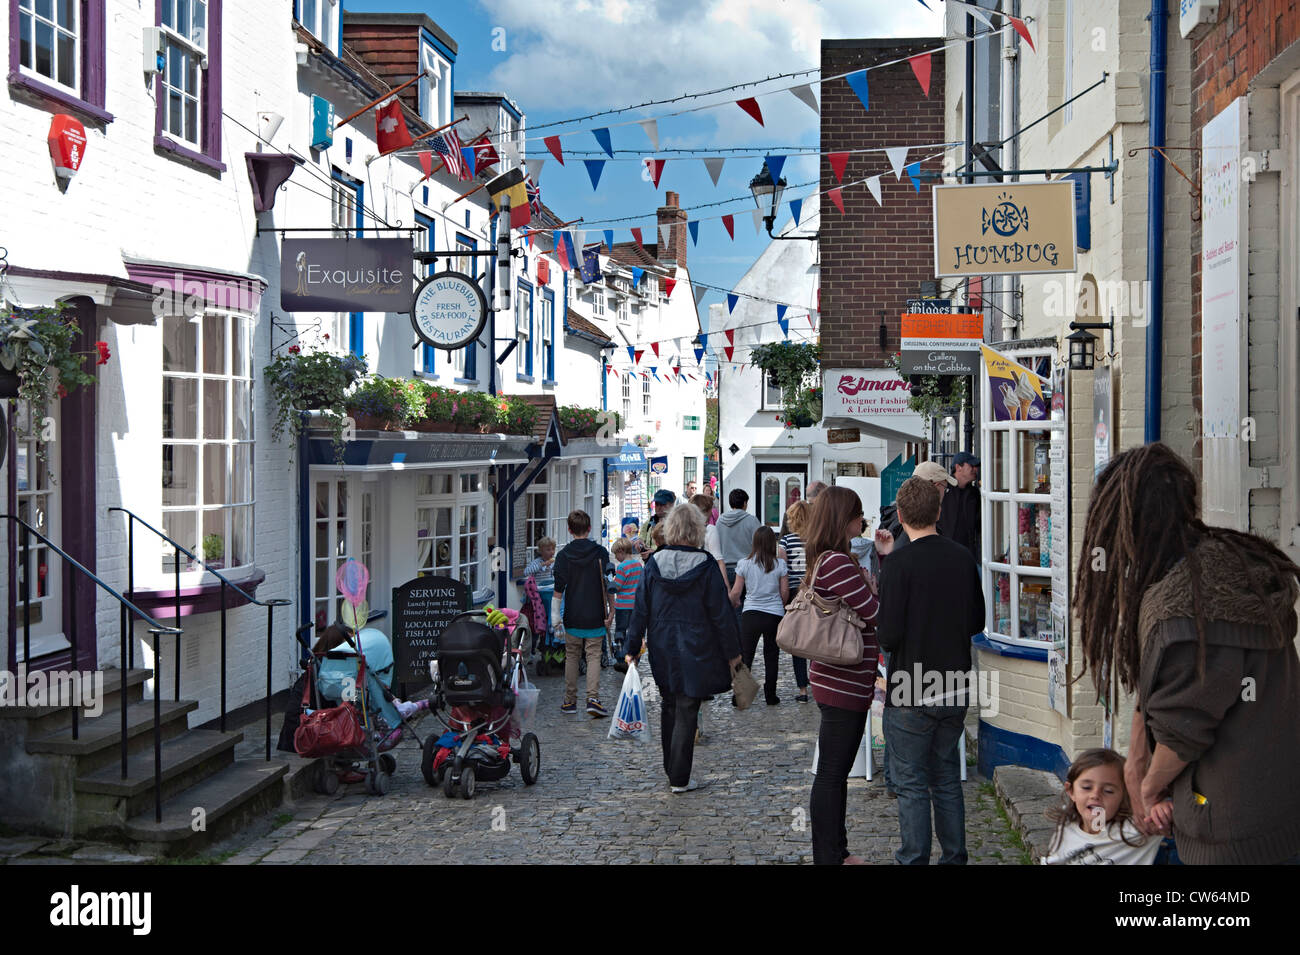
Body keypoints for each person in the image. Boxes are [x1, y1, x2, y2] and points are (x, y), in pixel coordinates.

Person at [1073, 442, 1300, 865]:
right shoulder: (1213, 565)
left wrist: (1147, 789)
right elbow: (1158, 687)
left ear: (1132, 522)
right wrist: (1135, 759)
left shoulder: (1186, 613)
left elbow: (1183, 731)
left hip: (1238, 837)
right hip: (1269, 806)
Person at [875, 476, 984, 865]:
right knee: (946, 780)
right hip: (953, 681)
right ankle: (954, 857)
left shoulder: (898, 564)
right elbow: (976, 621)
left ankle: (915, 858)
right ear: (939, 512)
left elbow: (887, 633)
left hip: (911, 685)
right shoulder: (961, 558)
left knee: (911, 784)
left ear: (900, 517)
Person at [624, 503, 743, 794]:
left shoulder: (653, 563)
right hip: (696, 641)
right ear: (697, 530)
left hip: (662, 642)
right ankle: (679, 776)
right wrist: (733, 653)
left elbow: (640, 608)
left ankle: (672, 768)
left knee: (669, 702)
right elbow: (720, 613)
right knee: (688, 705)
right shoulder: (705, 565)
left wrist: (631, 646)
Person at [803, 486, 881, 865]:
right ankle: (829, 856)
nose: (862, 520)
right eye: (858, 513)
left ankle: (838, 851)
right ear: (843, 517)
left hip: (838, 679)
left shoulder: (830, 558)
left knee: (835, 772)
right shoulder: (837, 562)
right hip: (842, 680)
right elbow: (875, 612)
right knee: (832, 774)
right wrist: (875, 579)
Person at [1042, 748, 1171, 865]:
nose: (1095, 795)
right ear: (1071, 791)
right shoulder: (1067, 824)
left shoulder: (1136, 828)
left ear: (1124, 795)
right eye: (1087, 787)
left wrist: (1161, 807)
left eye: (1108, 791)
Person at [552, 510, 615, 718]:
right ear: (589, 528)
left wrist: (555, 618)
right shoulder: (601, 553)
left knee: (572, 656)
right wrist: (611, 611)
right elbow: (609, 585)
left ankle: (569, 701)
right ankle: (593, 699)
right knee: (594, 656)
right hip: (595, 612)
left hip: (573, 614)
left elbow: (558, 590)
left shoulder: (563, 556)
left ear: (569, 530)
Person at [729, 526, 789, 706]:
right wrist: (780, 605)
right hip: (774, 614)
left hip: (751, 614)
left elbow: (736, 592)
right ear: (773, 543)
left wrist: (734, 603)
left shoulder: (744, 564)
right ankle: (771, 696)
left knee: (746, 656)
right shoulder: (780, 564)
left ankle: (740, 696)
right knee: (771, 655)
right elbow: (784, 592)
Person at [778, 500, 812, 702]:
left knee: (797, 642)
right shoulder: (815, 540)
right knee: (816, 638)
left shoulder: (786, 541)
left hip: (793, 592)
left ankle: (802, 689)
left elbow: (782, 569)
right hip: (813, 592)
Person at [938, 451, 980, 563]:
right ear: (958, 467)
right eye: (971, 466)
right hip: (942, 553)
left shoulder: (974, 493)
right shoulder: (942, 487)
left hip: (967, 555)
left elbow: (978, 524)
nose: (975, 469)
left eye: (976, 466)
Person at [610, 538, 643, 674]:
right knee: (634, 631)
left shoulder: (623, 567)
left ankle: (623, 657)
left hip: (623, 605)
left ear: (621, 551)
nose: (616, 558)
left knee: (621, 631)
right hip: (636, 605)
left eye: (616, 554)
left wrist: (610, 581)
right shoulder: (638, 565)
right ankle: (634, 657)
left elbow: (617, 586)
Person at [523, 537, 557, 647]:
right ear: (541, 551)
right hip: (538, 597)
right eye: (548, 549)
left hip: (550, 595)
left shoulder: (554, 562)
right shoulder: (537, 562)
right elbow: (526, 572)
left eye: (553, 549)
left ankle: (548, 641)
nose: (551, 552)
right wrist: (542, 565)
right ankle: (533, 646)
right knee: (537, 620)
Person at [639, 489, 676, 553]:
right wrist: (639, 543)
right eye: (657, 504)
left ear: (672, 504)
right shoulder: (650, 521)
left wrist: (655, 552)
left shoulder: (677, 524)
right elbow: (641, 537)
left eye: (662, 504)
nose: (659, 507)